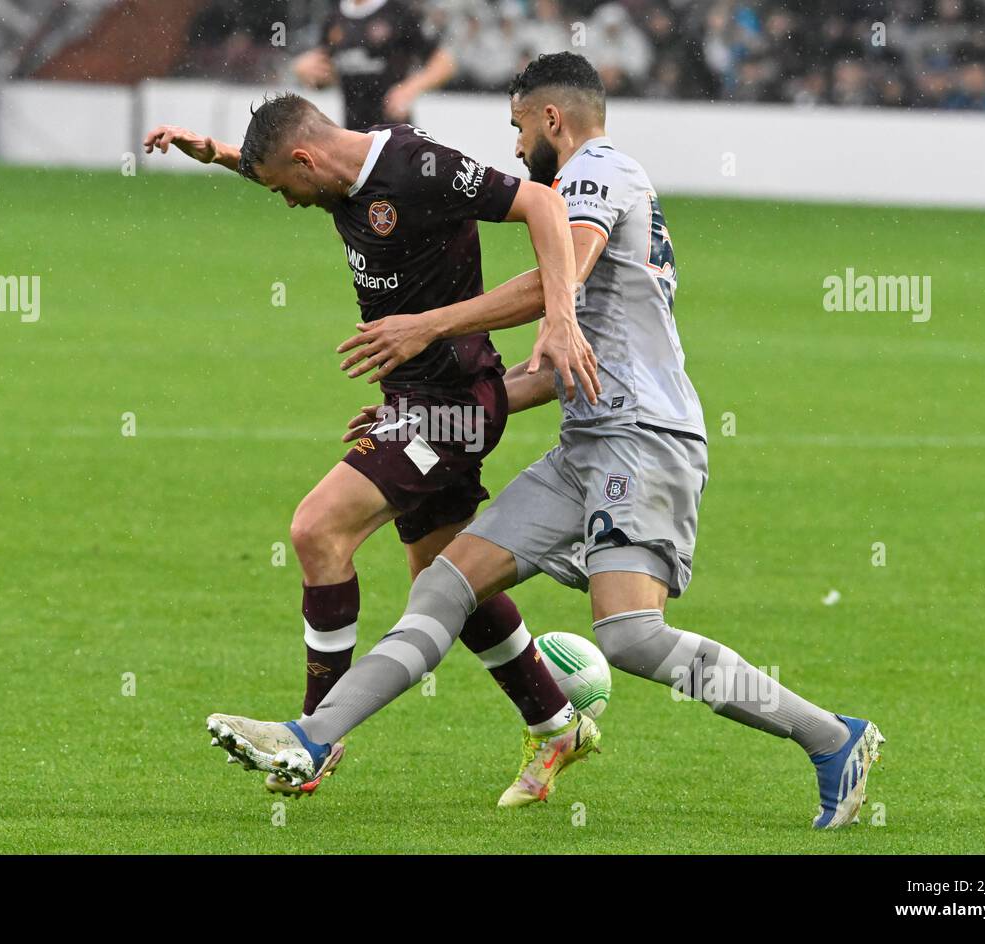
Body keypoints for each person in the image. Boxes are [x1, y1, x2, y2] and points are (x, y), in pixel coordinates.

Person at [207, 53, 886, 828]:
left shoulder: (596, 174)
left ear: (550, 119)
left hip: (641, 436)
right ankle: (311, 737)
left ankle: (832, 737)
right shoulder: (586, 182)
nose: (515, 143)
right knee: (445, 586)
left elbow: (548, 288)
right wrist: (422, 415)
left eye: (518, 126)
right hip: (587, 441)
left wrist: (427, 326)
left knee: (631, 637)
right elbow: (551, 365)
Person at [143, 92, 604, 803]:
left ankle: (312, 738)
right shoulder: (341, 178)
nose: (288, 202)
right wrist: (218, 155)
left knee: (317, 528)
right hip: (412, 405)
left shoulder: (419, 167)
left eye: (283, 187)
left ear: (306, 160)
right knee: (448, 581)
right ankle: (555, 721)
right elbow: (295, 168)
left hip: (452, 408)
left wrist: (560, 319)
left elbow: (543, 204)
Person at [293, 0, 456, 130]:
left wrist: (410, 88)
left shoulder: (400, 11)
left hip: (397, 134)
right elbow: (323, 75)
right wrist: (303, 70)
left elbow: (445, 63)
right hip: (354, 135)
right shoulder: (334, 17)